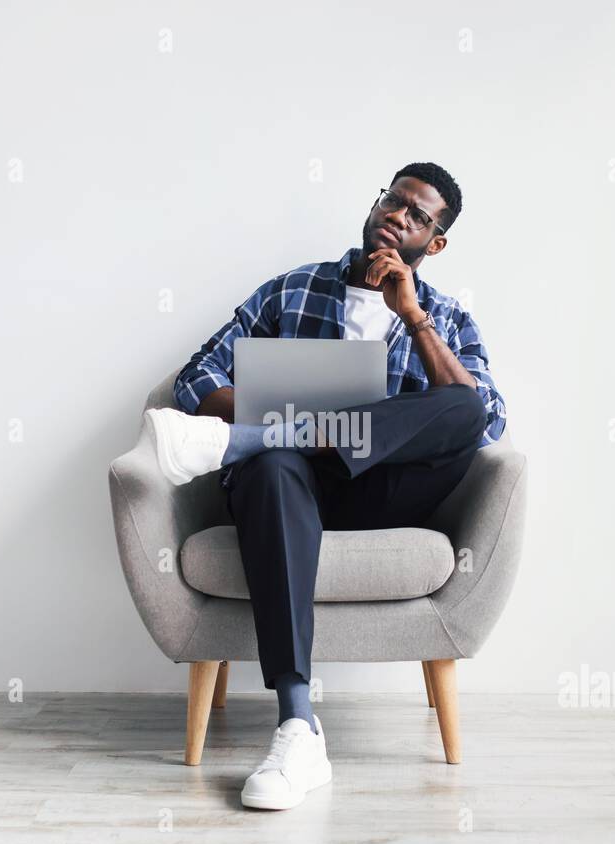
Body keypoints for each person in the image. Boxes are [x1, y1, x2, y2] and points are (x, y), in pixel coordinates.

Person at [145, 162, 507, 810]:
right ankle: (296, 726)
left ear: (437, 241)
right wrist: (271, 415)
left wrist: (412, 315)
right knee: (276, 465)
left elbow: (485, 419)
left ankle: (268, 437)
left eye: (418, 215)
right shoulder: (293, 291)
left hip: (384, 496)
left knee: (465, 406)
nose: (399, 216)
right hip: (285, 490)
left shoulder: (445, 315)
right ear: (377, 205)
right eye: (393, 201)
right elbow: (196, 379)